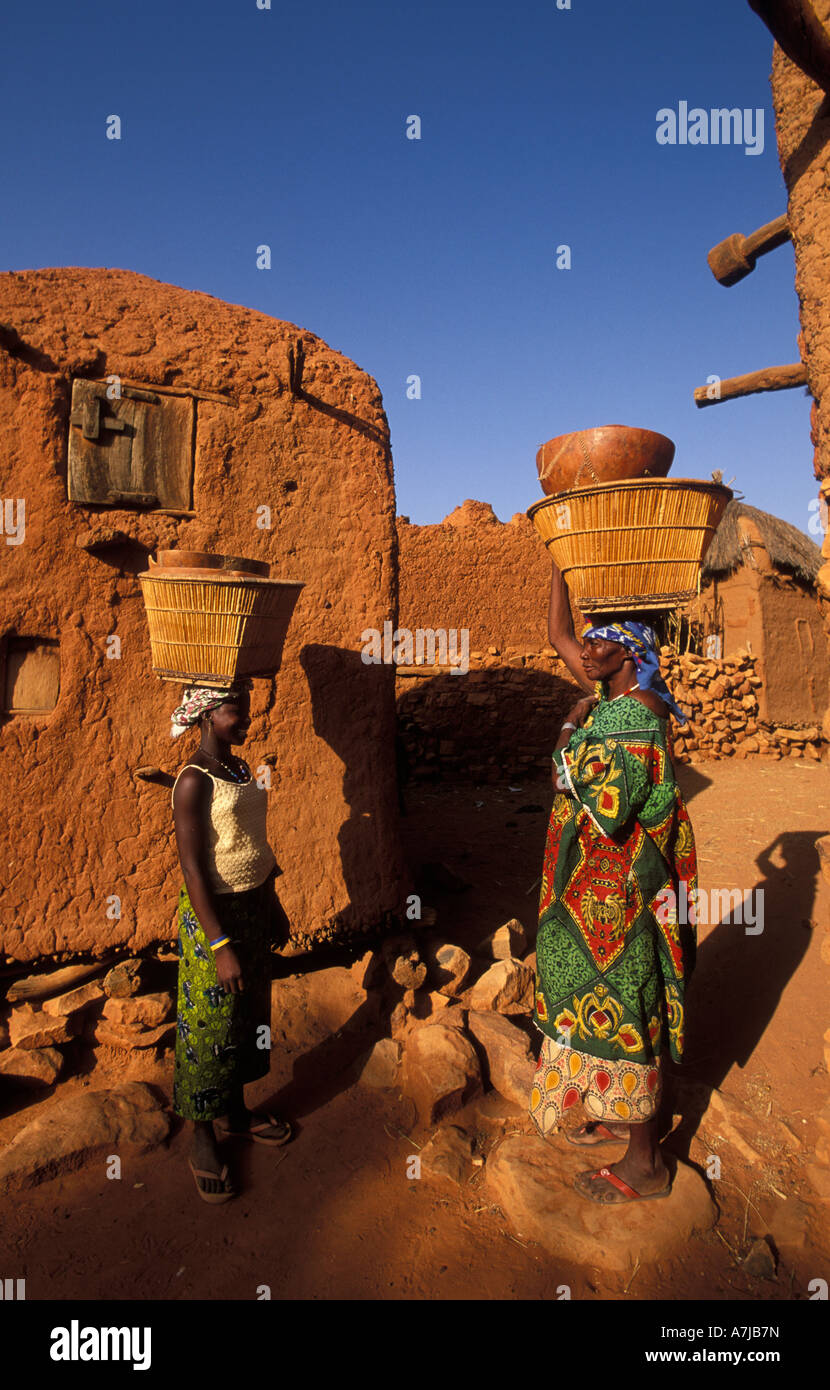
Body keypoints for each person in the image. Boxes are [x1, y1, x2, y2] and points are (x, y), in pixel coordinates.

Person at [529, 559, 698, 1204]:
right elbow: (558, 636)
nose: (585, 650)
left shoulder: (632, 717)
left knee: (631, 1001)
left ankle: (646, 1163)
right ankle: (612, 1109)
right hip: (590, 894)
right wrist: (560, 560)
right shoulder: (618, 692)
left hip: (619, 894)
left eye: (600, 641)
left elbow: (581, 788)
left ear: (629, 652)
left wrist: (569, 725)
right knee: (599, 995)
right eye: (591, 640)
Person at [170, 680, 292, 1203]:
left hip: (254, 906)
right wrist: (219, 945)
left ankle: (236, 1114)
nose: (244, 722)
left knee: (245, 1017)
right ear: (205, 717)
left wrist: (275, 903)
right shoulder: (193, 782)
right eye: (233, 714)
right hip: (213, 918)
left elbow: (254, 841)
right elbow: (194, 869)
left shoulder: (241, 770)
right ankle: (201, 1135)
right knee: (208, 1025)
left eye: (243, 713)